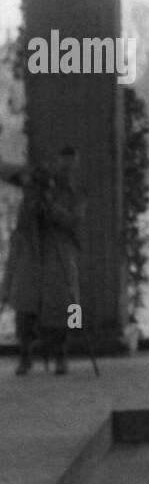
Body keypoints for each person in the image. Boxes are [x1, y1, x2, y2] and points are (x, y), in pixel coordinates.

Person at [0, 145, 83, 375]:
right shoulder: (35, 180)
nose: (65, 171)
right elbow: (4, 170)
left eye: (70, 167)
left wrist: (51, 207)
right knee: (23, 302)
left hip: (61, 252)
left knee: (69, 303)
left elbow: (74, 221)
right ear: (55, 163)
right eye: (62, 165)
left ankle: (63, 352)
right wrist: (28, 179)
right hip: (31, 249)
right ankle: (24, 354)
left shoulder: (76, 192)